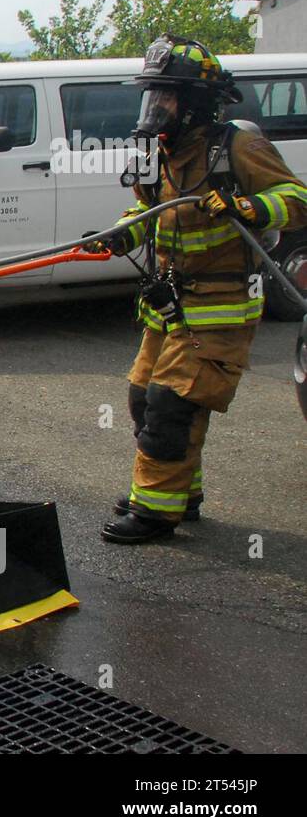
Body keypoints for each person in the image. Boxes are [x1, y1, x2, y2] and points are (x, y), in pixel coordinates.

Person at [93, 36, 307, 544]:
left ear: (193, 104)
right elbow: (147, 212)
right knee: (144, 399)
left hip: (221, 305)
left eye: (165, 97)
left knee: (172, 405)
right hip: (170, 304)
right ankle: (178, 492)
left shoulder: (238, 146)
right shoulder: (156, 154)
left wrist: (247, 208)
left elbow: (299, 198)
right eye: (152, 97)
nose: (155, 108)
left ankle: (154, 512)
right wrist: (125, 231)